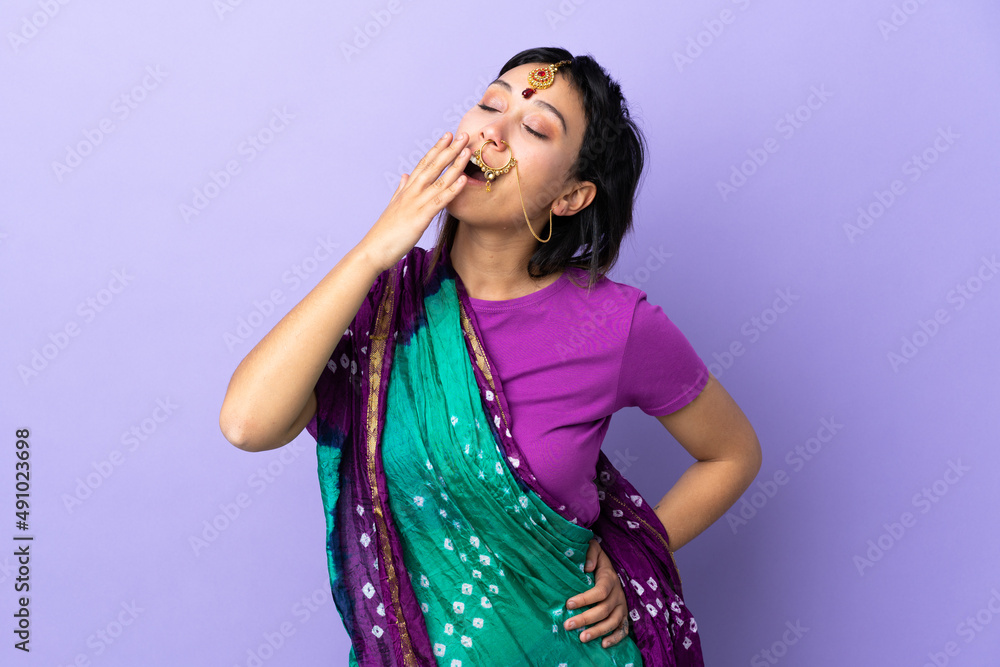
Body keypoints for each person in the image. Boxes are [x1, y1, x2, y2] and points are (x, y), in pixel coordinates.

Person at [220, 46, 761, 666]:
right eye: (489, 103)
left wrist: (639, 548)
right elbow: (247, 423)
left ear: (571, 197)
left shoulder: (617, 325)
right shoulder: (381, 307)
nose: (492, 131)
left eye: (533, 128)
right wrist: (376, 249)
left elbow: (733, 453)